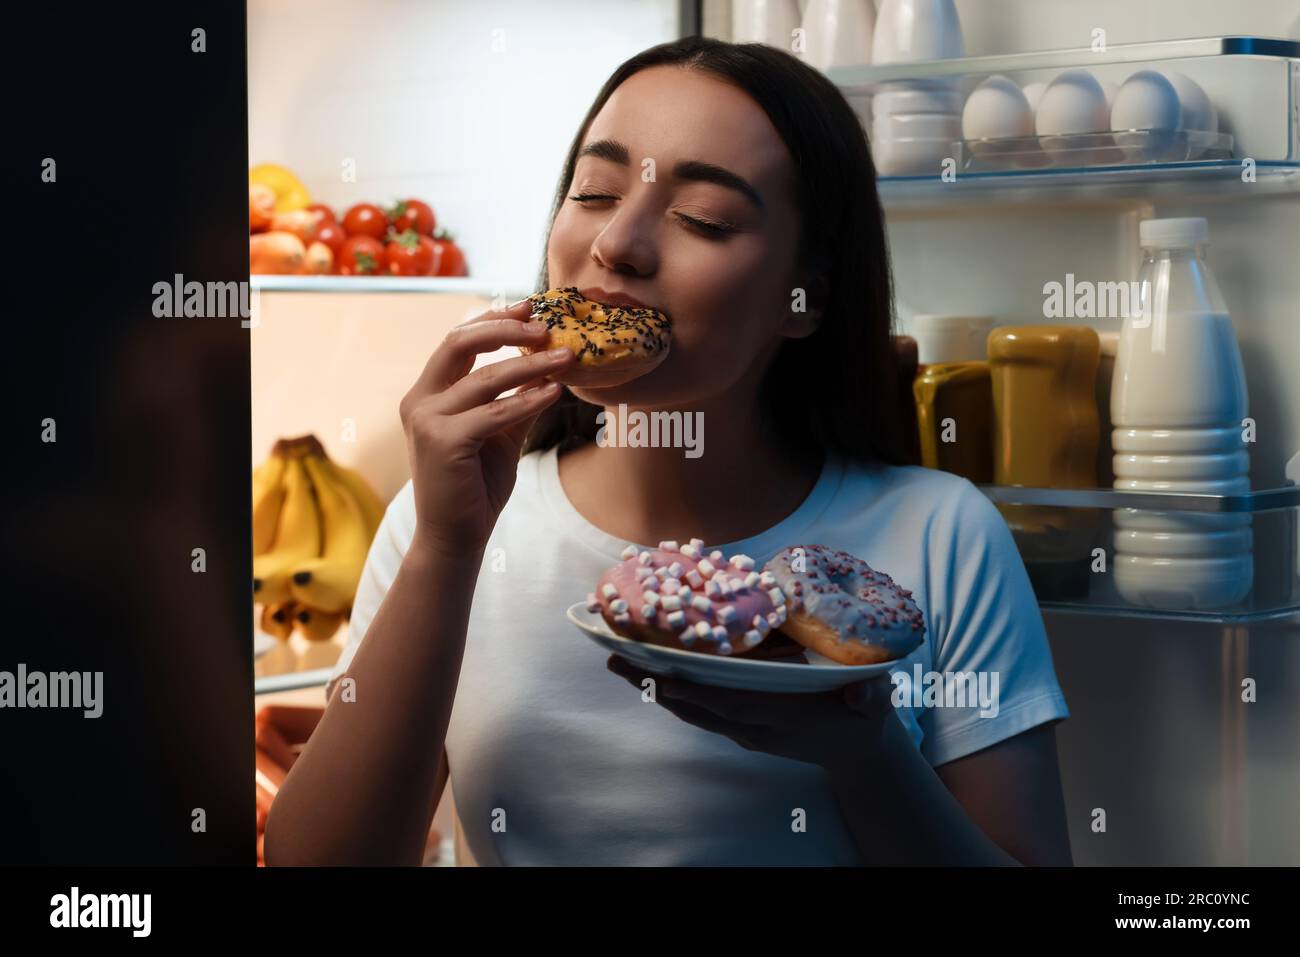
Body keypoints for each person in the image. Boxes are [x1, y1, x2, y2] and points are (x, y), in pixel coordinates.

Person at [265, 36, 1072, 866]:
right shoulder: (451, 523)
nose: (618, 243)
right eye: (594, 191)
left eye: (703, 219)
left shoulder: (940, 533)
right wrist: (445, 548)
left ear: (808, 296)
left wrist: (866, 752)